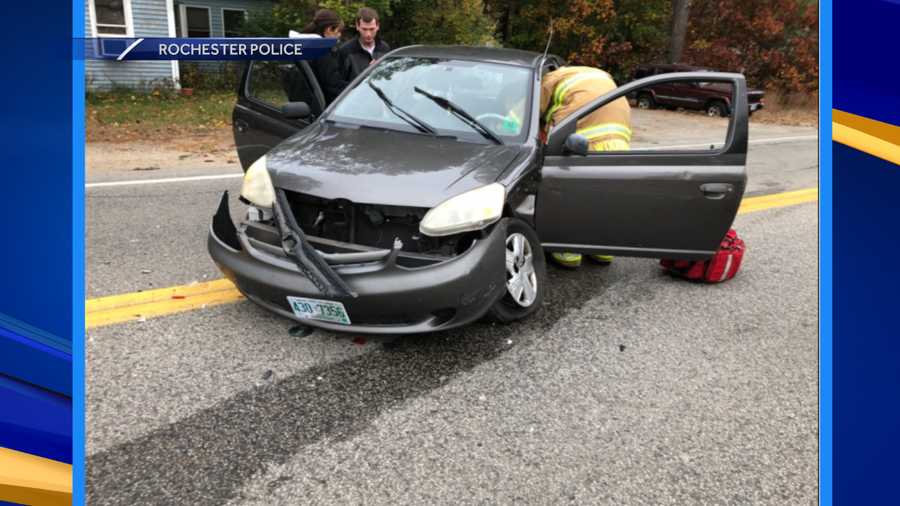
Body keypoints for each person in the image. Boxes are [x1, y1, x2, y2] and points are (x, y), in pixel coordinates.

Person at [540, 66, 632, 269]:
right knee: (605, 195)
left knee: (569, 192)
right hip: (619, 135)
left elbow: (528, 114)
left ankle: (567, 250)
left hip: (584, 139)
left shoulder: (549, 79)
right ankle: (602, 249)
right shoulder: (598, 74)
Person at [290, 9, 349, 104]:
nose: (339, 35)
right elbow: (333, 86)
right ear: (328, 30)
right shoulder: (322, 51)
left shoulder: (301, 47)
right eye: (338, 31)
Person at [338, 7, 391, 81]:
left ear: (378, 26)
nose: (368, 34)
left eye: (372, 29)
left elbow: (389, 78)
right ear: (357, 26)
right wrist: (366, 73)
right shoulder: (346, 51)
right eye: (364, 29)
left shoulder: (384, 48)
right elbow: (340, 85)